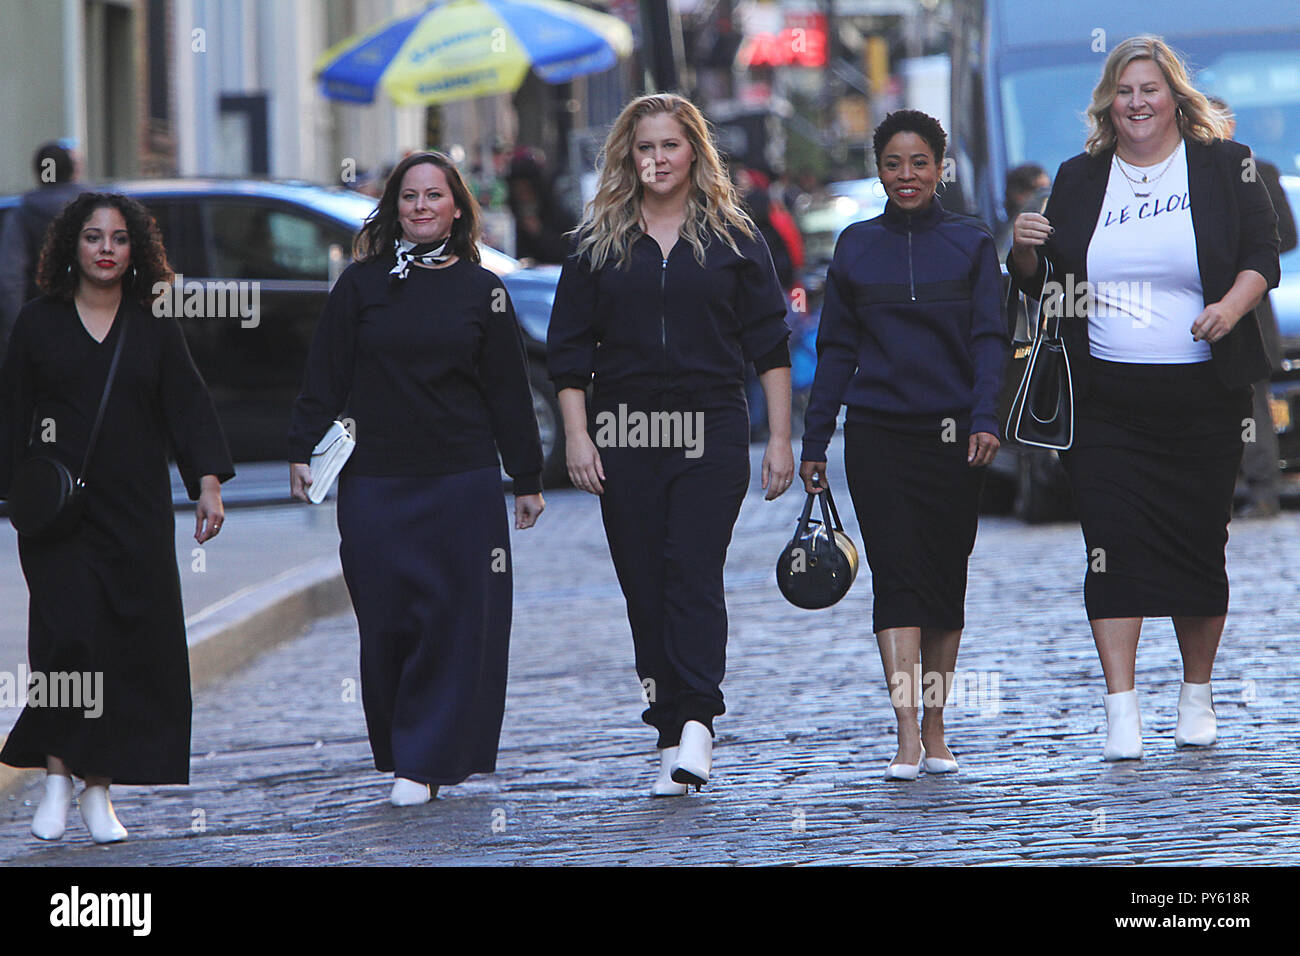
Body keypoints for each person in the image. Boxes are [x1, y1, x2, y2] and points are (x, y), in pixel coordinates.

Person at [1008, 37, 1280, 760]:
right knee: (1111, 547)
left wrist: (1228, 307)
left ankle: (1196, 693)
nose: (1136, 103)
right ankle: (1121, 709)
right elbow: (1042, 283)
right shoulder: (1078, 176)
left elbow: (1263, 256)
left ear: (1174, 97)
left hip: (1202, 395)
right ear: (1109, 102)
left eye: (1149, 89)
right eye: (1124, 91)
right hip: (1106, 401)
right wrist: (1028, 249)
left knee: (1199, 546)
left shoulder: (1225, 166)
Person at [547, 93, 794, 796]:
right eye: (645, 148)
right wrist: (577, 437)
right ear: (629, 156)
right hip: (624, 433)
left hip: (709, 428)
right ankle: (667, 728)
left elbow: (770, 345)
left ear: (694, 154)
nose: (657, 160)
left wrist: (779, 439)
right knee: (644, 585)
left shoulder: (735, 239)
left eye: (669, 147)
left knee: (690, 569)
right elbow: (568, 356)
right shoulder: (596, 243)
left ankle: (699, 723)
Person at [287, 151, 545, 807]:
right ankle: (405, 748)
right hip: (375, 483)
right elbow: (324, 372)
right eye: (410, 196)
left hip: (461, 483)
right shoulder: (362, 285)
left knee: (456, 622)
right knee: (389, 620)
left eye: (435, 195)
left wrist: (528, 476)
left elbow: (509, 392)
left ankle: (426, 759)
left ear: (458, 208)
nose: (422, 206)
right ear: (394, 207)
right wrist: (301, 449)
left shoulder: (482, 290)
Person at [0, 193, 233, 843]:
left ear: (136, 251)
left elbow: (187, 406)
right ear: (71, 245)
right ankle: (55, 776)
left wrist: (207, 484)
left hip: (136, 511)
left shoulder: (152, 323)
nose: (107, 248)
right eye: (94, 236)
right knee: (68, 642)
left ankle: (97, 790)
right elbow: (11, 414)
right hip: (57, 518)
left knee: (125, 645)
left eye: (120, 238)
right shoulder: (37, 324)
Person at [799, 110, 1008, 781]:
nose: (907, 175)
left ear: (941, 166)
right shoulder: (856, 247)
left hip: (956, 438)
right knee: (895, 578)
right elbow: (834, 350)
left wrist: (985, 418)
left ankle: (938, 722)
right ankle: (906, 733)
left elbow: (989, 340)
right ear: (879, 168)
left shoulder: (972, 245)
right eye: (894, 163)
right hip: (879, 436)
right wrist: (815, 440)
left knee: (946, 581)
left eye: (920, 162)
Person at [1207, 96, 1298, 519]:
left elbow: (1285, 237)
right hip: (1198, 312)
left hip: (1250, 313)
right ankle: (1217, 492)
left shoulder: (1259, 171)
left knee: (1253, 404)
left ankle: (1263, 491)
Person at [0, 141, 84, 361]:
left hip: (44, 326)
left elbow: (10, 278)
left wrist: (14, 334)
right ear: (72, 171)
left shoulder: (23, 214)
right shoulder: (99, 208)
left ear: (39, 173)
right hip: (96, 321)